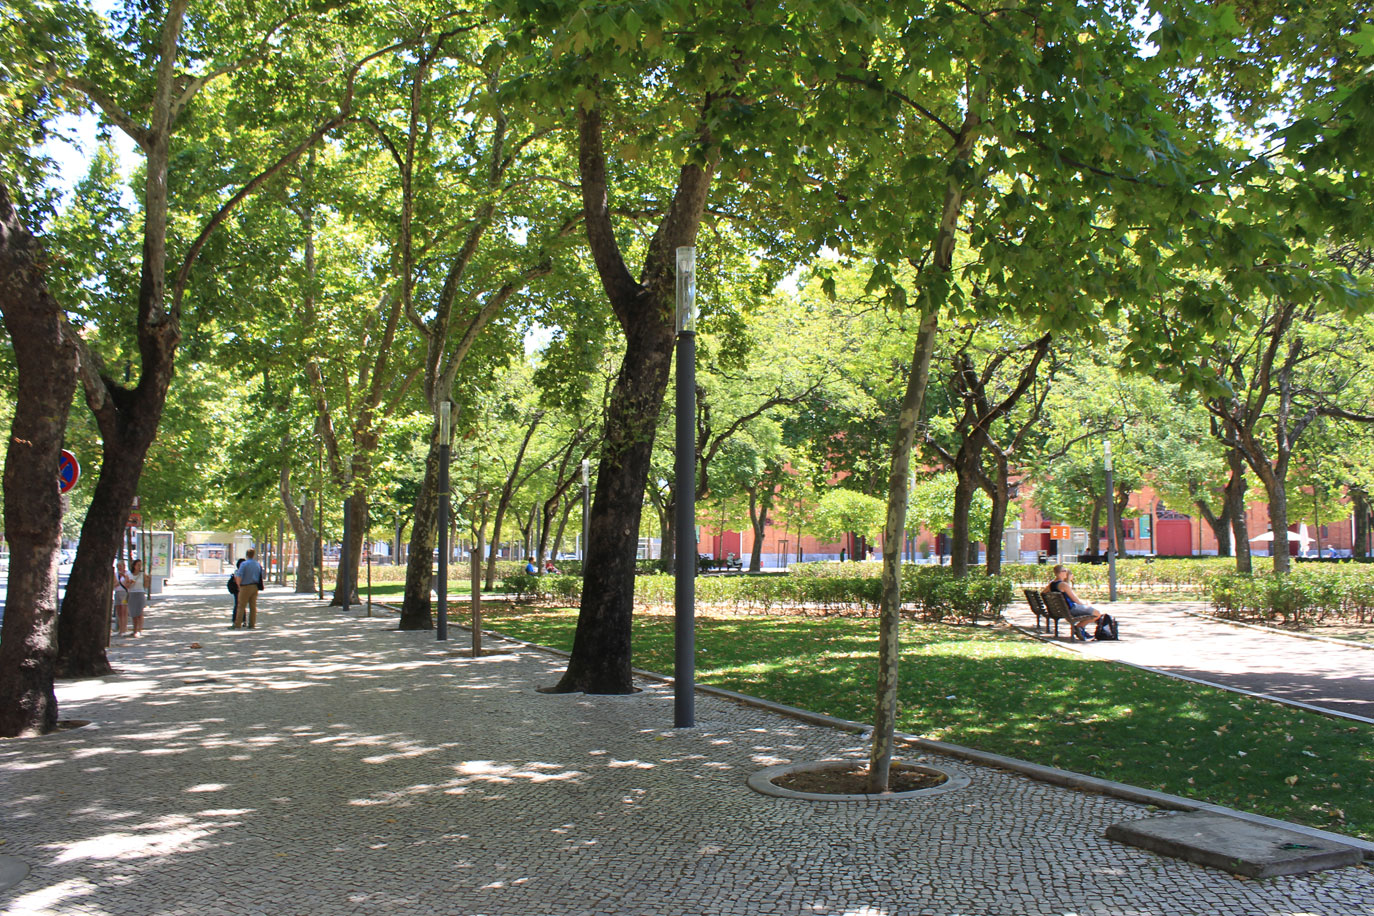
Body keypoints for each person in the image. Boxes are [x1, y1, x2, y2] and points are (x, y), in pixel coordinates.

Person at [1044, 564, 1102, 640]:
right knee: (1097, 613)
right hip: (1070, 609)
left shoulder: (1051, 584)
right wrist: (1085, 605)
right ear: (1060, 572)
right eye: (1064, 570)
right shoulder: (1064, 585)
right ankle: (1079, 627)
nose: (1066, 572)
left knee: (1092, 611)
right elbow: (1076, 600)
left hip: (1060, 610)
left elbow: (1043, 593)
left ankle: (1080, 629)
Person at [234, 548, 265, 629]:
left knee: (241, 606)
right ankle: (252, 624)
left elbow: (239, 576)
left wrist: (238, 585)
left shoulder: (244, 564)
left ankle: (237, 624)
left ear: (246, 555)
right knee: (253, 607)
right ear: (253, 555)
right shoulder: (257, 564)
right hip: (254, 586)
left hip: (245, 586)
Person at [128, 558, 151, 637]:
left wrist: (148, 580)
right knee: (133, 613)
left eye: (140, 565)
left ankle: (139, 630)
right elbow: (126, 586)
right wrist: (130, 583)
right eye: (138, 565)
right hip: (132, 593)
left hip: (140, 593)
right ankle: (134, 629)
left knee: (139, 612)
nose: (139, 567)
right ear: (134, 566)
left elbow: (146, 586)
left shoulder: (142, 574)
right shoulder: (129, 574)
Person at [113, 561, 132, 636]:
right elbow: (114, 584)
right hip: (117, 593)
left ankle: (124, 629)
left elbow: (128, 584)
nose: (119, 568)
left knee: (124, 610)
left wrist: (124, 576)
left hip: (124, 593)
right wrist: (118, 583)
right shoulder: (115, 574)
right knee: (119, 611)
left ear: (124, 566)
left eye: (120, 566)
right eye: (118, 566)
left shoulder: (128, 573)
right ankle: (120, 629)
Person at [228, 557, 244, 624]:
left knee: (238, 604)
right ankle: (240, 620)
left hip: (237, 590)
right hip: (239, 589)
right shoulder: (238, 572)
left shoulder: (237, 572)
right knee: (239, 605)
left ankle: (237, 620)